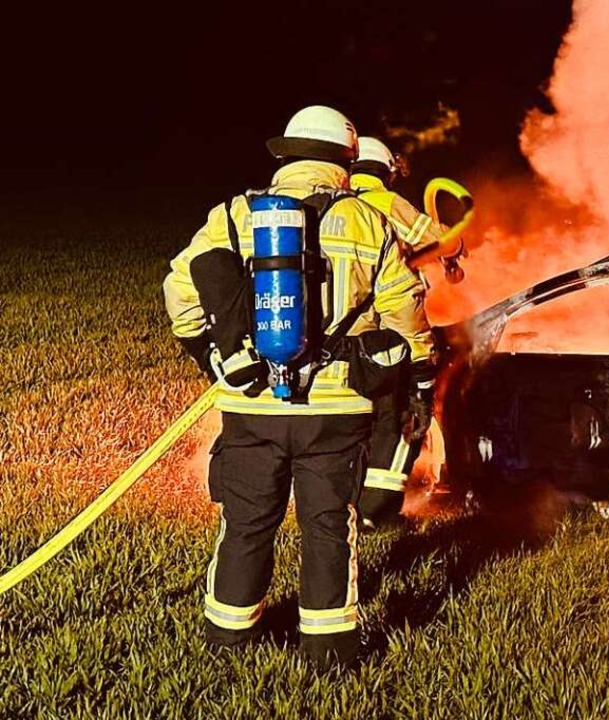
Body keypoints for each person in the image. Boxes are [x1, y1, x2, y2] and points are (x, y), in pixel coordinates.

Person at [162, 106, 435, 669]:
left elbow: (181, 290)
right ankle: (329, 651)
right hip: (335, 414)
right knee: (329, 527)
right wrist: (422, 379)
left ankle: (227, 639)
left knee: (245, 524)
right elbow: (405, 311)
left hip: (250, 403)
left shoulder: (237, 215)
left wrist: (210, 356)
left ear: (285, 155)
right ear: (346, 162)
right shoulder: (366, 221)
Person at [348, 136, 447, 529]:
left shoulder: (337, 203)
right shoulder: (387, 202)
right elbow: (437, 238)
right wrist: (455, 249)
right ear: (386, 171)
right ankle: (377, 509)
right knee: (400, 416)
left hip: (336, 338)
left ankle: (347, 498)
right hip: (385, 334)